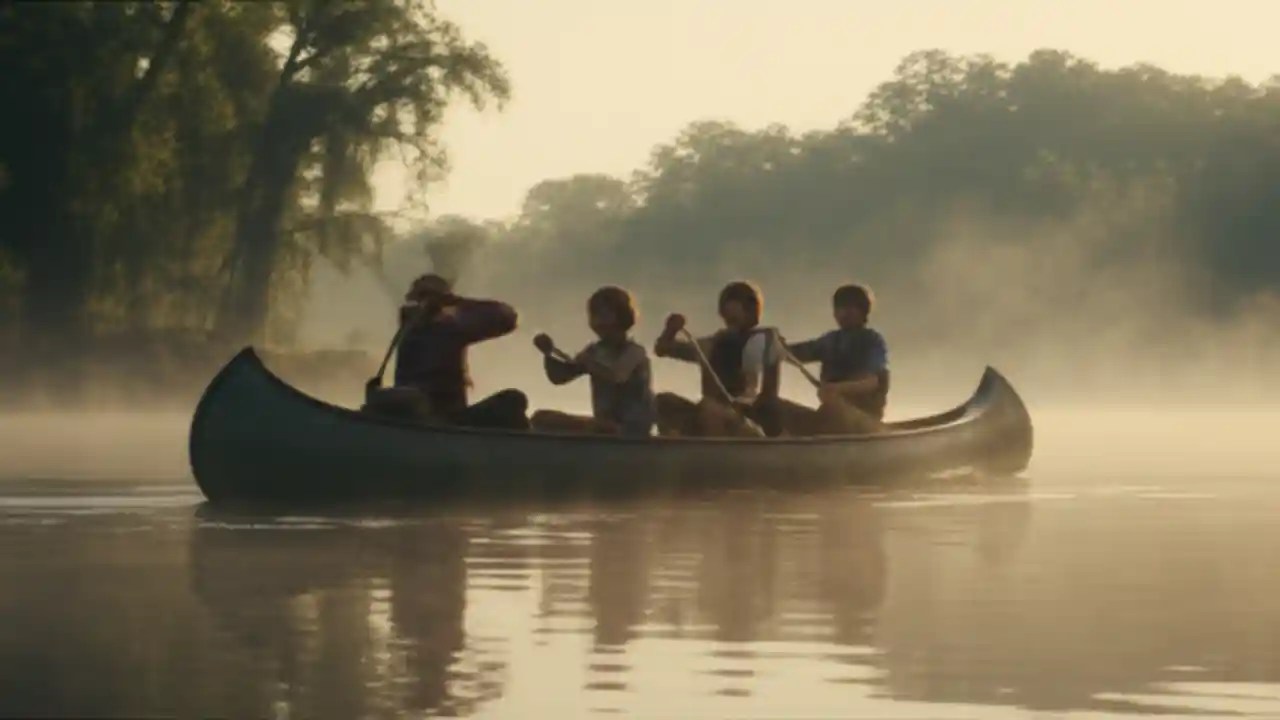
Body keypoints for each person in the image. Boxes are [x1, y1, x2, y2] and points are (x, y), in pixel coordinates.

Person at [381, 273, 529, 429]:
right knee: (513, 399)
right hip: (442, 421)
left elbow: (507, 318)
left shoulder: (413, 328)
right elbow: (508, 317)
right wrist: (456, 302)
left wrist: (453, 304)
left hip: (432, 420)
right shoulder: (445, 328)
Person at [652, 281, 783, 437]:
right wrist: (670, 330)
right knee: (663, 401)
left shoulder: (762, 342)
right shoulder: (712, 344)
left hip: (744, 422)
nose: (732, 325)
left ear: (752, 314)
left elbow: (769, 396)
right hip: (707, 414)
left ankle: (713, 452)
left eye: (736, 318)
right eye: (729, 319)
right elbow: (663, 349)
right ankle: (672, 448)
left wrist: (744, 407)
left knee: (710, 409)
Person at [529, 286, 655, 437]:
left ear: (622, 316)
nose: (597, 321)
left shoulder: (635, 351)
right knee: (542, 419)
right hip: (603, 425)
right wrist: (548, 354)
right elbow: (559, 378)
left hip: (632, 428)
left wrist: (589, 363)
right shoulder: (594, 351)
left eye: (603, 314)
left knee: (602, 428)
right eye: (593, 315)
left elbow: (618, 375)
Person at [781, 283, 889, 435]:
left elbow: (871, 382)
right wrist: (778, 346)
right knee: (774, 407)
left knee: (832, 408)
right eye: (839, 308)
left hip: (862, 422)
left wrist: (836, 389)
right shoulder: (830, 341)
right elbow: (795, 354)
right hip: (831, 418)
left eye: (850, 307)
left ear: (863, 311)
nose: (843, 313)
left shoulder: (872, 341)